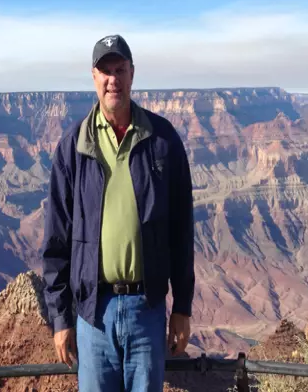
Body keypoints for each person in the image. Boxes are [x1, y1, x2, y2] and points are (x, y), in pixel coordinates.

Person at [42, 34, 194, 392]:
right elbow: (56, 239)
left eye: (120, 70)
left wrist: (183, 306)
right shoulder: (73, 145)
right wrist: (61, 319)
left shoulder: (162, 139)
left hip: (148, 309)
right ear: (94, 77)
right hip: (93, 314)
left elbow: (181, 231)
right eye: (105, 71)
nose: (113, 79)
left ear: (132, 74)